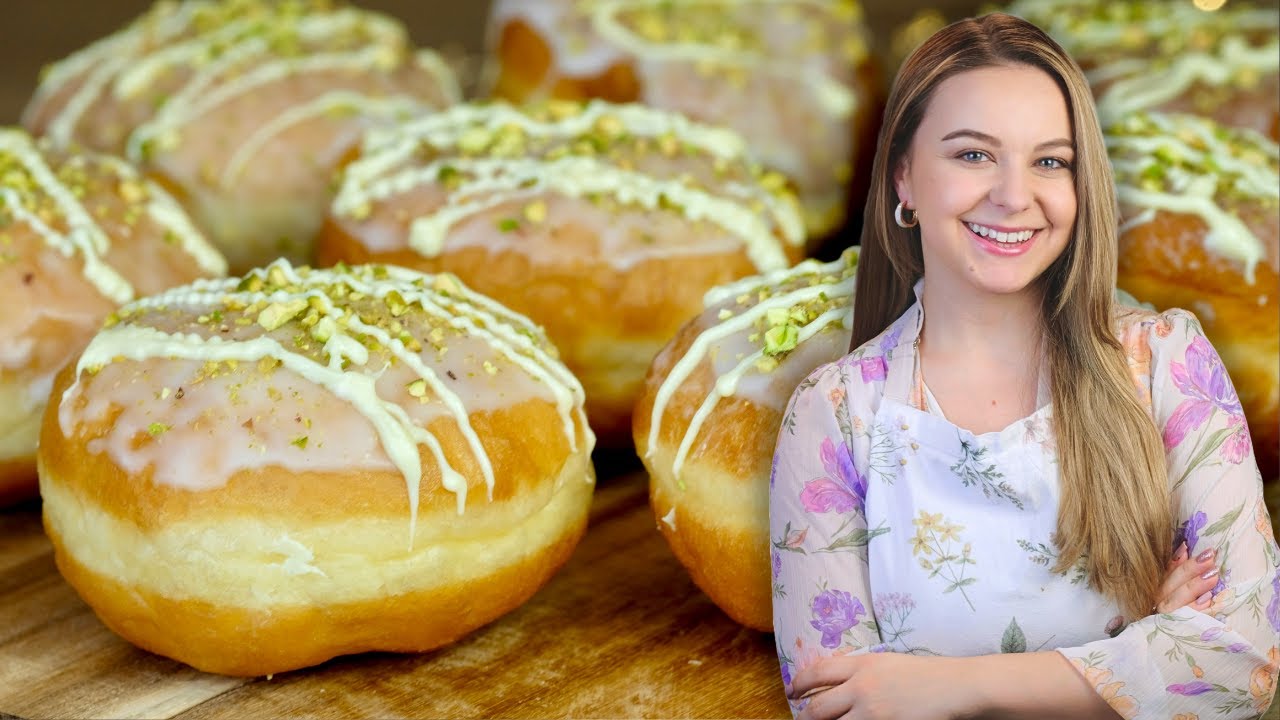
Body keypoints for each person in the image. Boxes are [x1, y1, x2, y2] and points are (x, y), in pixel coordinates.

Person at [769, 12, 1280, 720]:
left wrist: (947, 686)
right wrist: (1140, 652)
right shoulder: (833, 414)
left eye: (1050, 162)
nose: (1014, 196)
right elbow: (837, 702)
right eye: (973, 154)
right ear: (904, 176)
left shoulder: (1167, 362)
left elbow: (1241, 664)